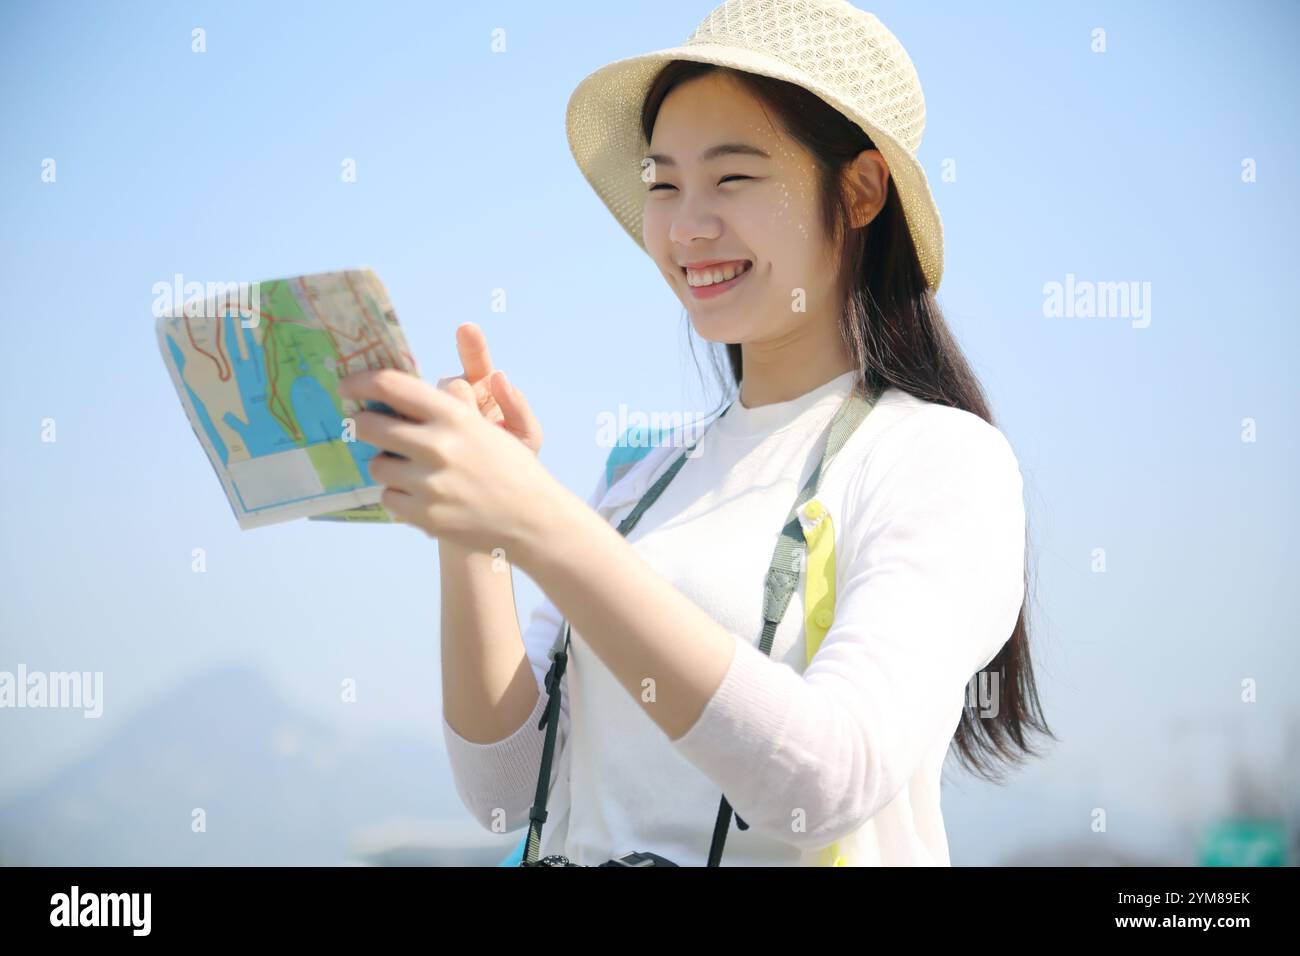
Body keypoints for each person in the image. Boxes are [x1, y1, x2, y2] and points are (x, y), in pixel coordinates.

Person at [338, 0, 1054, 866]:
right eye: (663, 183)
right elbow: (506, 794)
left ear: (861, 189)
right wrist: (476, 537)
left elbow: (822, 782)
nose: (686, 227)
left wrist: (539, 522)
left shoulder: (943, 459)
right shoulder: (643, 478)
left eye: (734, 178)